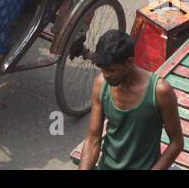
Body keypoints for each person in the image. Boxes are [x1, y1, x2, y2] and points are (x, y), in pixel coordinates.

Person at [78, 29, 183, 170]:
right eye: (103, 70)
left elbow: (176, 143)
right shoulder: (100, 84)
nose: (106, 75)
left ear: (129, 62)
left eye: (111, 70)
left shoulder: (159, 91)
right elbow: (93, 140)